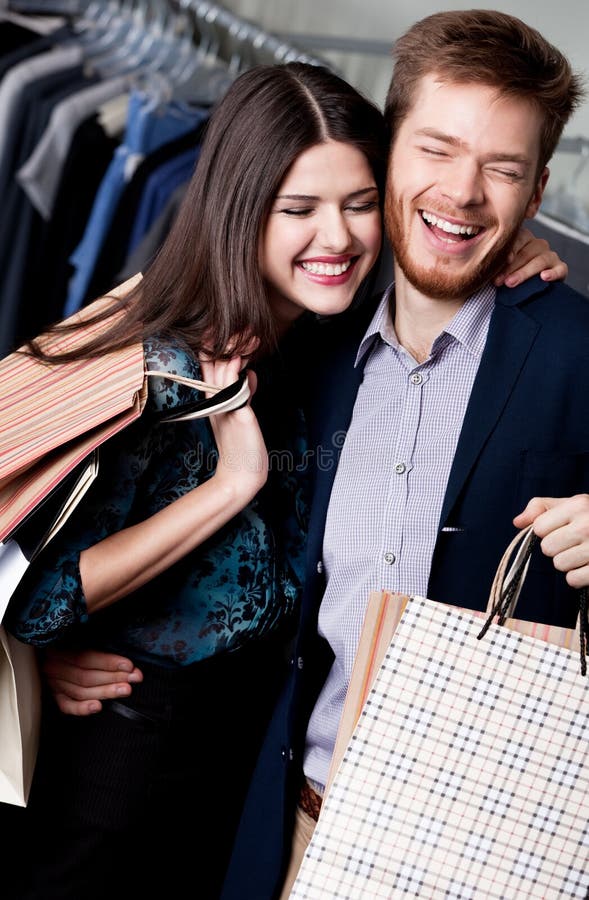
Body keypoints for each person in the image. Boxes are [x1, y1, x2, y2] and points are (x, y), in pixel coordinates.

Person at [9, 43, 572, 900]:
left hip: (246, 778)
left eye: (354, 203)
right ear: (244, 211)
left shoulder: (321, 342)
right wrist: (225, 488)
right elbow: (34, 587)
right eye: (297, 208)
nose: (336, 236)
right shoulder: (167, 362)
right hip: (129, 771)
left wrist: (500, 234)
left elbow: (452, 214)